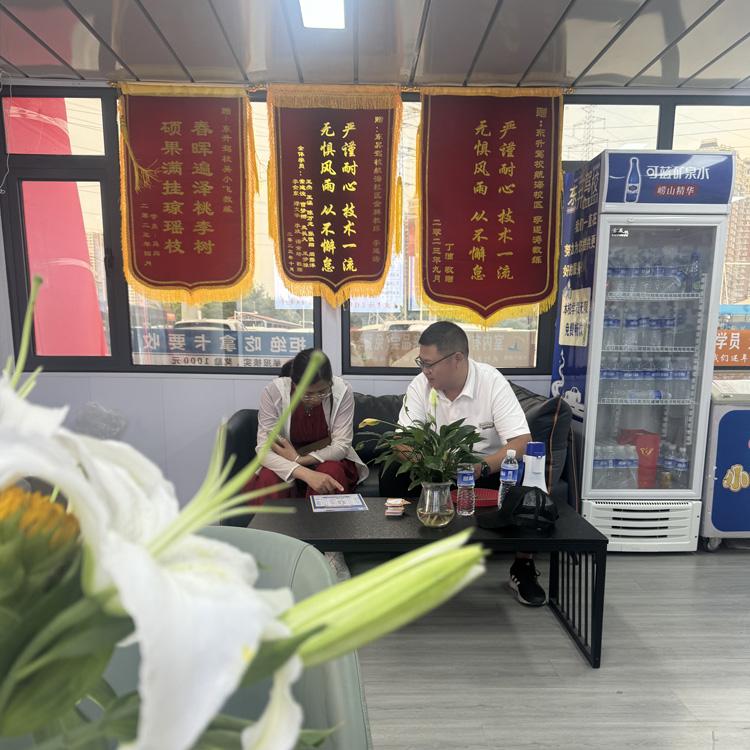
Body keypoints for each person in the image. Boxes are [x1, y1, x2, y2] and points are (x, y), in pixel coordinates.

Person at [387, 321, 545, 607]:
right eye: (421, 363)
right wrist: (428, 467)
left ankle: (523, 567)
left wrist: (480, 468)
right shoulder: (421, 385)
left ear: (457, 358)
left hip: (485, 469)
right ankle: (413, 559)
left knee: (526, 485)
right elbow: (402, 441)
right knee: (392, 474)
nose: (425, 371)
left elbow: (521, 441)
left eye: (430, 364)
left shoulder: (491, 381)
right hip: (437, 470)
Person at [243, 349, 368, 502]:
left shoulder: (342, 391)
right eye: (307, 394)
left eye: (322, 392)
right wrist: (305, 473)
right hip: (284, 459)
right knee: (270, 478)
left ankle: (325, 519)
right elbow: (264, 450)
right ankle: (271, 519)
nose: (316, 399)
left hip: (328, 456)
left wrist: (299, 459)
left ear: (330, 382)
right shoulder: (273, 392)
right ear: (294, 384)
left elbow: (341, 446)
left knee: (331, 472)